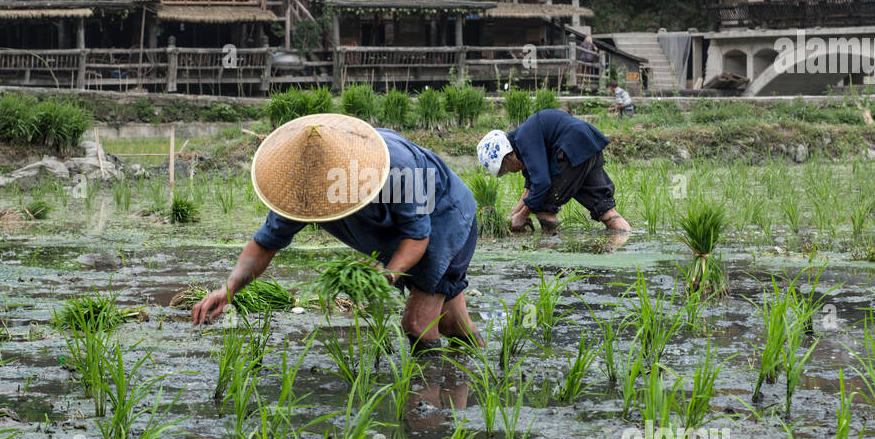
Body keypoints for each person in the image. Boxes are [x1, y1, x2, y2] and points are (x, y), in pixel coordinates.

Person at [192, 113, 481, 350]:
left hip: (445, 218)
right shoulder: (302, 190)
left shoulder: (396, 169)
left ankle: (428, 411)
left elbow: (418, 237)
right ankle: (479, 374)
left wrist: (386, 275)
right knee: (449, 323)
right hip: (403, 236)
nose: (318, 195)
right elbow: (265, 243)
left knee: (418, 324)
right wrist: (228, 290)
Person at [477, 108, 631, 235]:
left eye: (505, 170)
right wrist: (513, 216)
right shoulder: (524, 143)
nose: (510, 172)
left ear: (508, 156)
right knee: (605, 209)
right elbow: (529, 190)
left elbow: (542, 183)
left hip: (572, 147)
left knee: (543, 206)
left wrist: (523, 215)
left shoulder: (524, 140)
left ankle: (550, 260)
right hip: (586, 147)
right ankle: (623, 245)